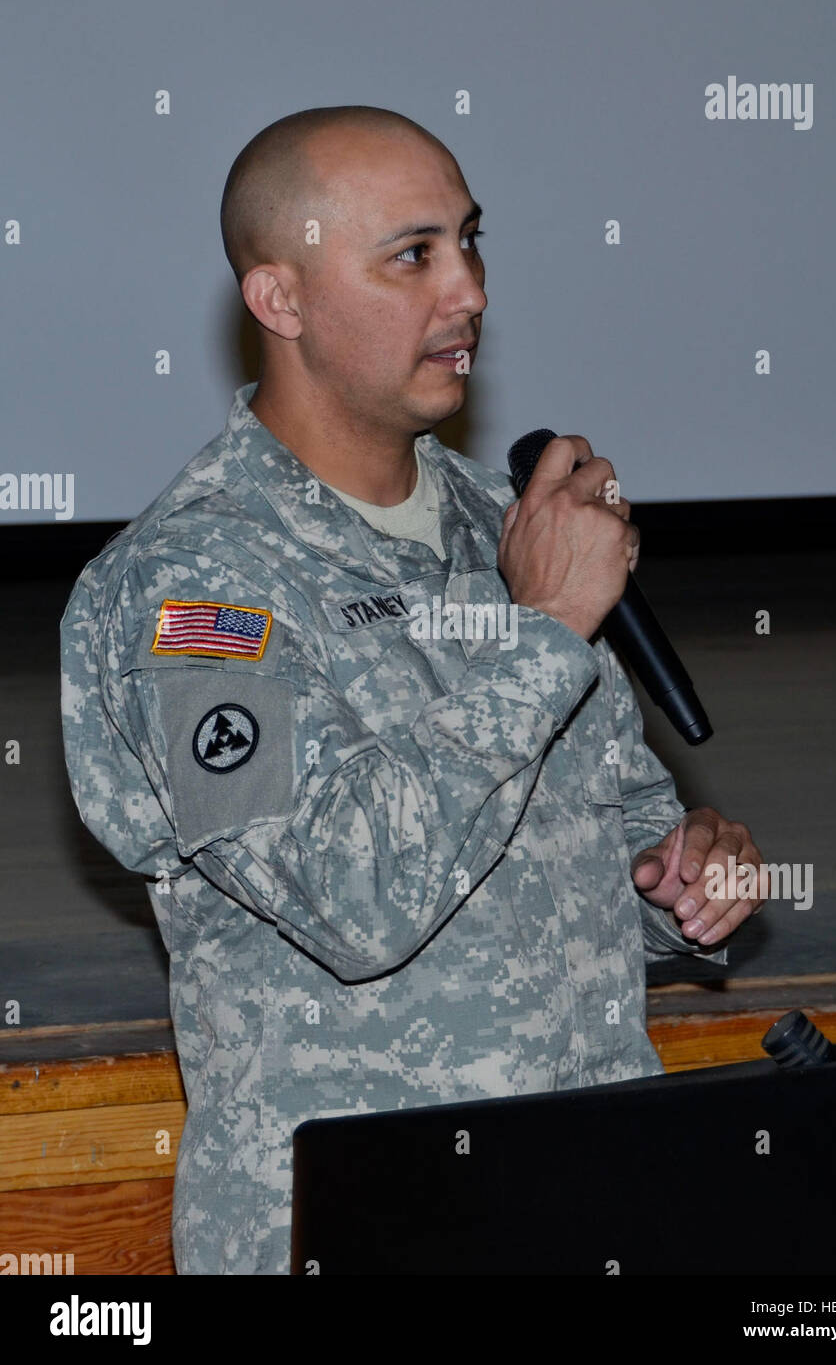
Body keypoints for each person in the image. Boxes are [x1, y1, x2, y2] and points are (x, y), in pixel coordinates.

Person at [60, 105, 766, 1276]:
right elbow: (347, 900)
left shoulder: (509, 528)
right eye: (413, 254)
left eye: (471, 242)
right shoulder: (189, 590)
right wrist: (541, 634)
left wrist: (678, 875)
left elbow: (603, 831)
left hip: (594, 1202)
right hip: (365, 1230)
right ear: (280, 301)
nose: (470, 291)